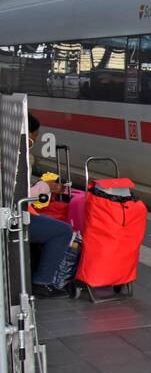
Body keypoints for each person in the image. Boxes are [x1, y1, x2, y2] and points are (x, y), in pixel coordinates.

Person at [26, 114, 74, 297]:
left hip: (12, 214)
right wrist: (45, 186)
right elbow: (22, 195)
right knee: (62, 231)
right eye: (35, 134)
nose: (36, 139)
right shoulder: (19, 156)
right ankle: (42, 282)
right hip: (12, 219)